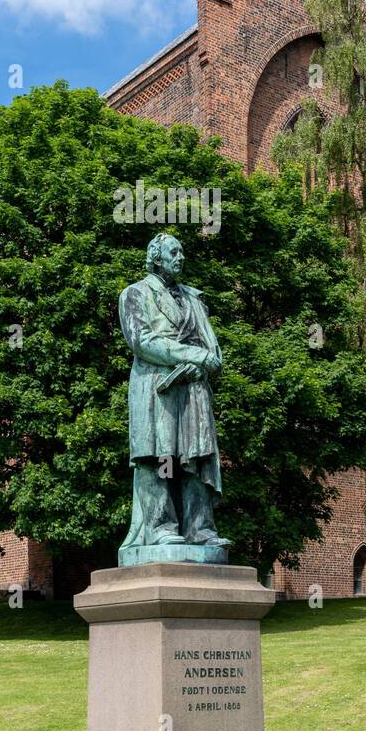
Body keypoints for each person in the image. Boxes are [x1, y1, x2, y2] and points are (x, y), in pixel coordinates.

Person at [117, 232, 230, 550]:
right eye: (174, 252)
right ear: (156, 258)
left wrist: (203, 364)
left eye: (182, 252)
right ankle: (159, 526)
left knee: (197, 456)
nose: (181, 257)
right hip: (156, 388)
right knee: (159, 456)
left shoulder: (194, 300)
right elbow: (143, 342)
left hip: (193, 388)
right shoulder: (135, 294)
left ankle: (199, 527)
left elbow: (214, 352)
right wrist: (195, 356)